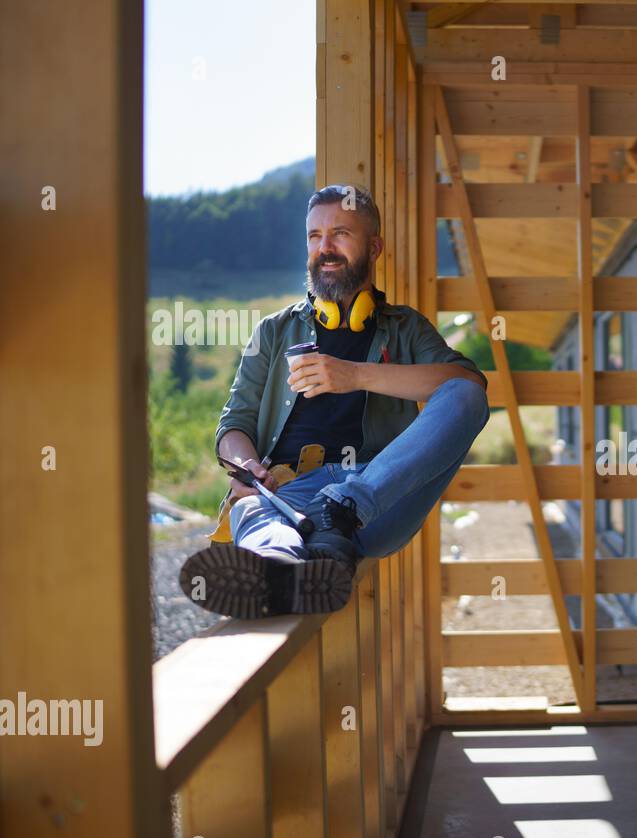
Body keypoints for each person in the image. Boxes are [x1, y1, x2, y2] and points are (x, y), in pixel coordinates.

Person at [179, 183, 489, 619]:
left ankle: (340, 512)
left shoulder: (406, 329)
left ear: (374, 246)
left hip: (376, 497)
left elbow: (465, 388)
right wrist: (248, 467)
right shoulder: (273, 330)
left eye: (340, 233)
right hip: (286, 491)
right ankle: (282, 569)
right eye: (314, 236)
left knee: (467, 394)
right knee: (252, 507)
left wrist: (355, 375)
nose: (324, 247)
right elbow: (234, 425)